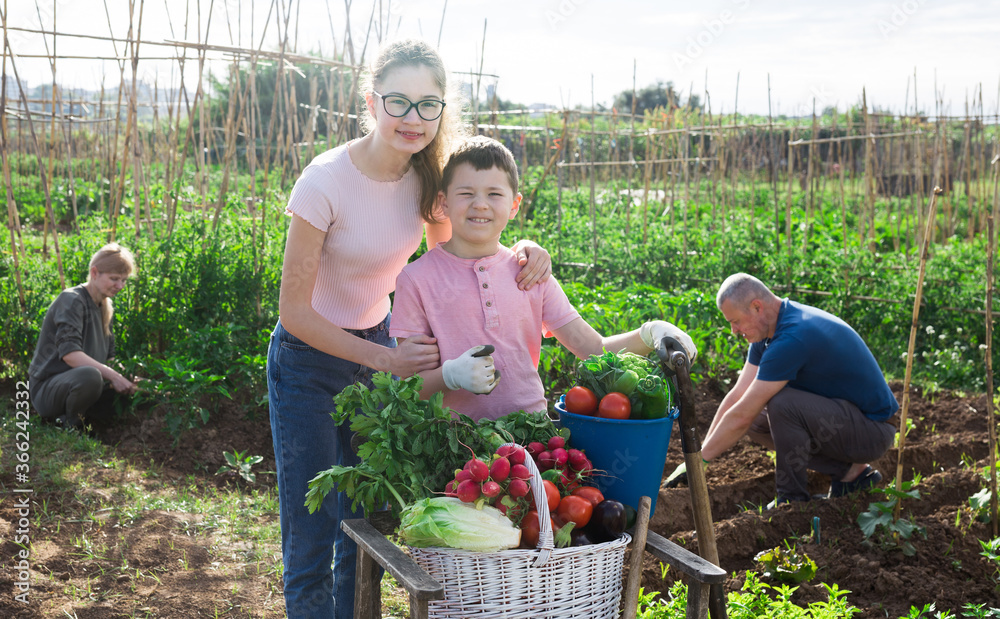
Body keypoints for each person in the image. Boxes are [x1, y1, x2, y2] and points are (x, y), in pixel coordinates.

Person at [266, 39, 551, 619]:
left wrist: (524, 251)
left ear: (442, 112)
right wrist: (389, 363)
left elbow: (461, 261)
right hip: (308, 362)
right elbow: (293, 311)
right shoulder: (325, 182)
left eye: (429, 105)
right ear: (372, 102)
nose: (413, 118)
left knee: (363, 518)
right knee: (314, 521)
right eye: (399, 101)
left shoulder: (427, 181)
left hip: (377, 350)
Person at [389, 135, 697, 420]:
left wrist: (648, 334)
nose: (480, 204)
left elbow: (591, 346)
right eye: (466, 193)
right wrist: (450, 375)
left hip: (532, 435)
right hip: (451, 444)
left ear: (514, 205)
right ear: (444, 202)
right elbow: (409, 385)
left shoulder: (531, 272)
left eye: (494, 194)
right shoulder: (416, 280)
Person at [700, 272, 899, 506]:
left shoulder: (793, 337)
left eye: (735, 321)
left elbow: (742, 414)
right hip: (844, 420)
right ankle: (850, 474)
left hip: (873, 431)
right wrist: (698, 455)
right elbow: (738, 396)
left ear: (756, 307)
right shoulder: (767, 333)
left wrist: (701, 461)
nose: (734, 330)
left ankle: (791, 499)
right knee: (757, 420)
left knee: (782, 405)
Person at [29, 243, 141, 431]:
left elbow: (109, 361)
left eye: (124, 280)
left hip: (78, 385)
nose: (120, 286)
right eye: (114, 278)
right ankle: (69, 425)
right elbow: (70, 355)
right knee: (91, 376)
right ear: (95, 272)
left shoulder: (105, 307)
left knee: (131, 391)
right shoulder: (72, 300)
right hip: (48, 390)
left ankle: (93, 419)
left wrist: (134, 381)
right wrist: (114, 377)